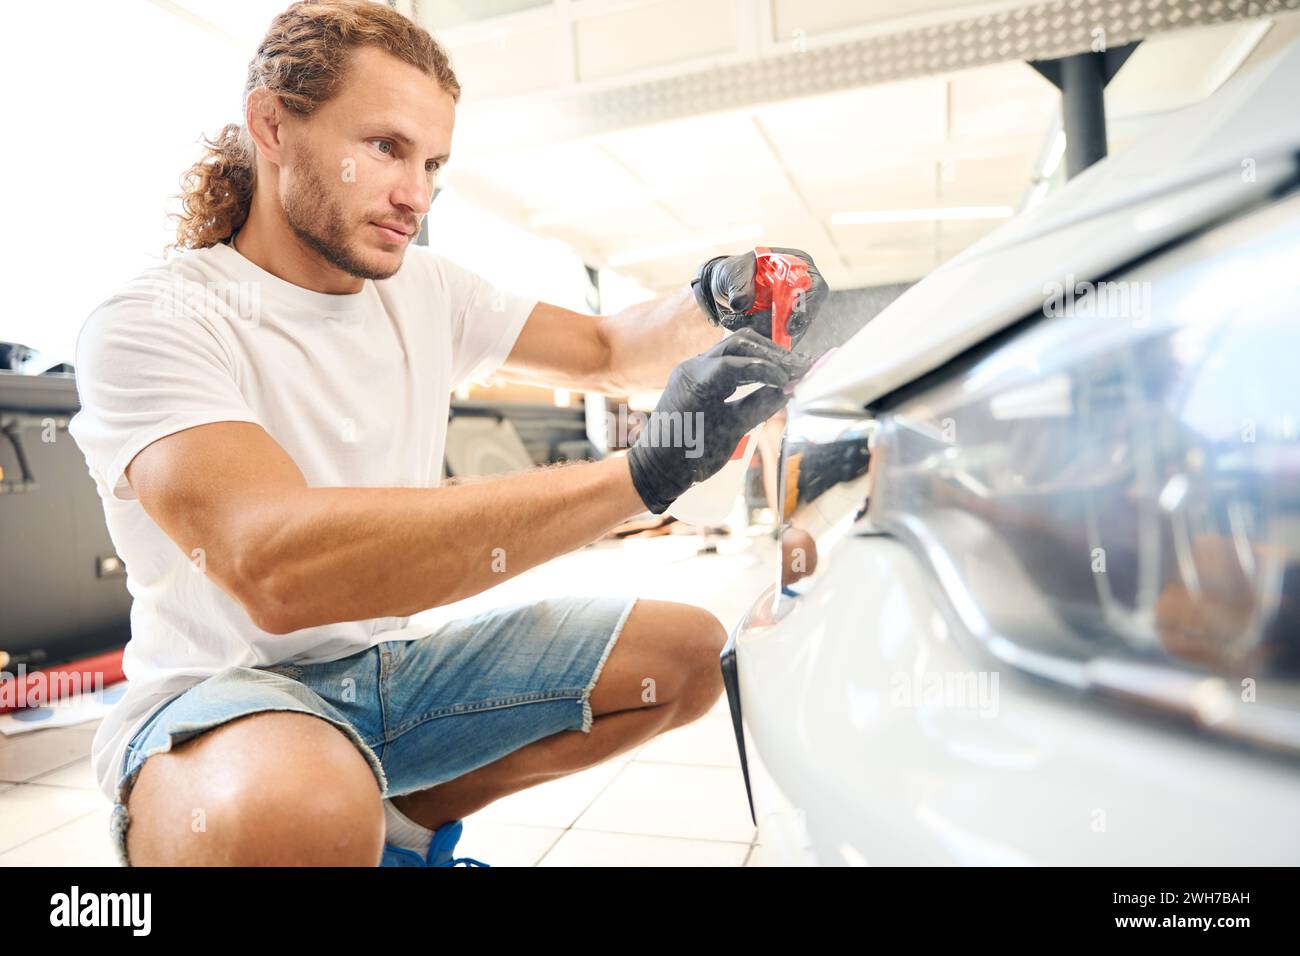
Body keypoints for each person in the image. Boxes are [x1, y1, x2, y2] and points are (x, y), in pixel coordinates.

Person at [68, 0, 825, 867]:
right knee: (297, 810)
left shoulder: (425, 289)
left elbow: (609, 347)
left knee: (687, 658)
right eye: (384, 147)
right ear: (273, 125)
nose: (414, 194)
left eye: (433, 163)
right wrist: (644, 472)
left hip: (391, 673)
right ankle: (329, 813)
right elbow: (277, 569)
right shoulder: (158, 317)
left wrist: (715, 296)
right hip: (218, 696)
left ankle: (399, 829)